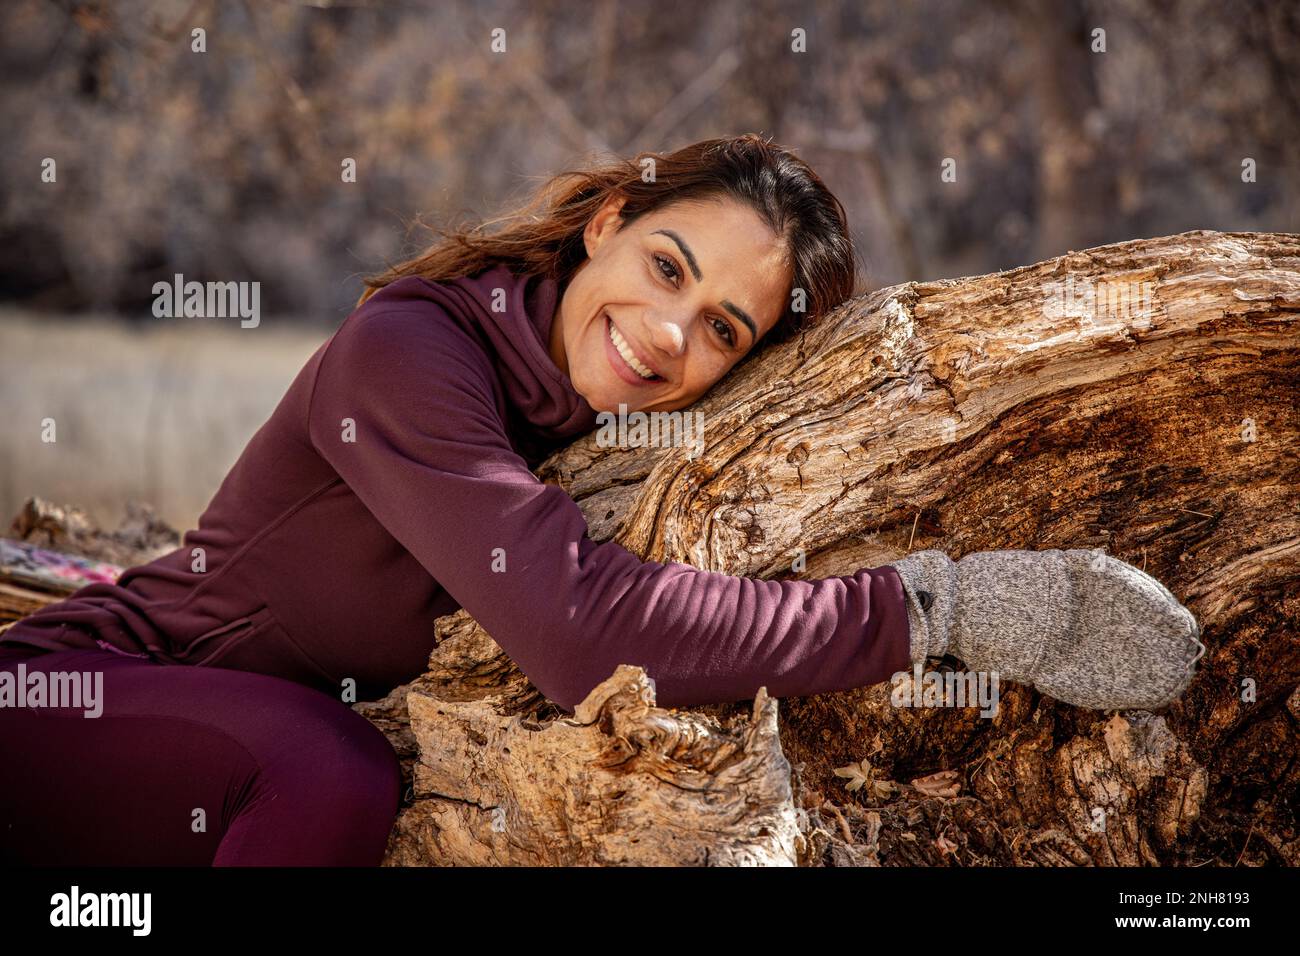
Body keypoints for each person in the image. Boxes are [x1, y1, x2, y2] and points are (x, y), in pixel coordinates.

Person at [0, 134, 1204, 866]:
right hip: (60, 713)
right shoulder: (411, 351)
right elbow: (583, 631)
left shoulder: (605, 435)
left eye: (720, 327)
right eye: (665, 267)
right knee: (334, 769)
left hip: (201, 773)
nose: (666, 330)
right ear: (607, 221)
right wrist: (939, 611)